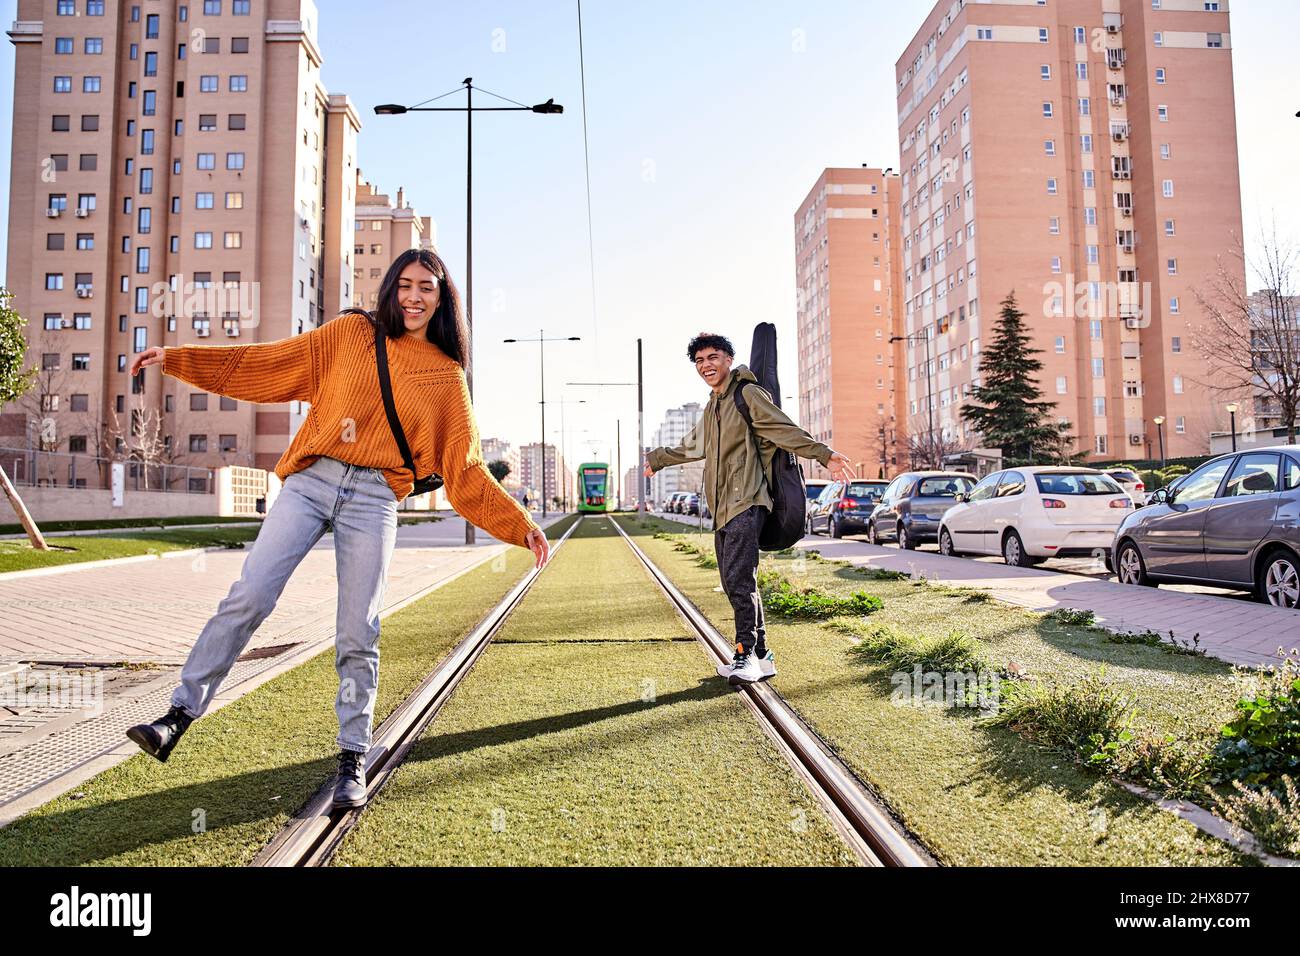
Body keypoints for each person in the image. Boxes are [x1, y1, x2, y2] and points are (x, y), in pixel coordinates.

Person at [123, 249, 550, 809]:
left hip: (374, 499)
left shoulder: (447, 378)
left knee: (358, 628)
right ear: (391, 289)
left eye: (427, 287)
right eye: (405, 285)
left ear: (443, 299)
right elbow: (267, 363)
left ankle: (353, 759)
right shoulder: (350, 334)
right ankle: (176, 717)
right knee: (249, 594)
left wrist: (521, 526)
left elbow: (464, 468)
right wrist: (178, 359)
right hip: (310, 482)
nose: (414, 297)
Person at [644, 332, 853, 685]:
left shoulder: (747, 394)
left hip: (747, 500)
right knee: (733, 581)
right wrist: (658, 460)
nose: (706, 365)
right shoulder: (714, 406)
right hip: (723, 506)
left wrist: (823, 454)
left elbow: (782, 429)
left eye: (713, 357)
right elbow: (692, 445)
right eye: (699, 361)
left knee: (740, 581)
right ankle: (761, 654)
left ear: (728, 359)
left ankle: (744, 653)